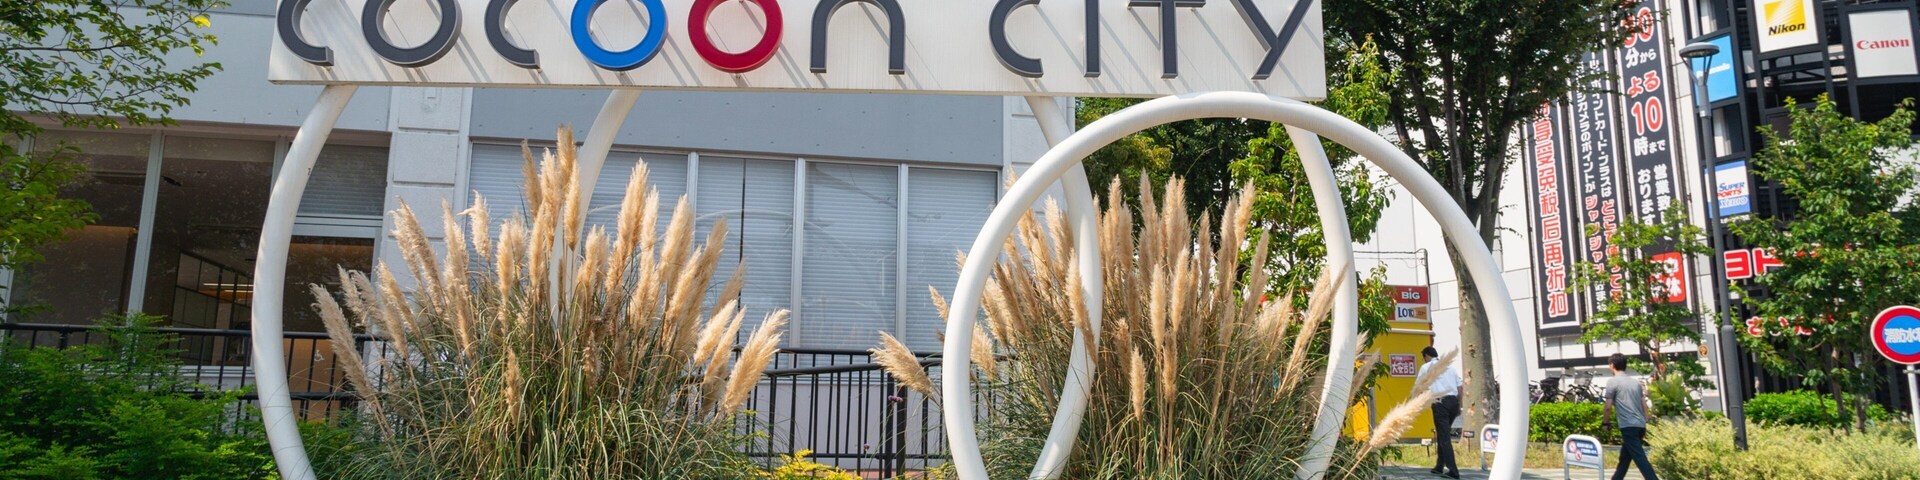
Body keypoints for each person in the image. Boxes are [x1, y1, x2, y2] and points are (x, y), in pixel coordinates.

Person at [1602, 353, 1658, 480]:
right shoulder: (1635, 383)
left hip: (1628, 426)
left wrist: (1605, 423)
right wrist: (1646, 418)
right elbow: (1644, 403)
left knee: (1640, 459)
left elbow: (1608, 407)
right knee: (1625, 458)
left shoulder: (1612, 382)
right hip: (1640, 426)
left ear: (1612, 365)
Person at [1416, 346, 1462, 479]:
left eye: (1423, 358)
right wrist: (1459, 405)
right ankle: (1439, 466)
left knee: (1444, 437)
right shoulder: (1450, 367)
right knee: (1444, 434)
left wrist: (1417, 402)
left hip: (1440, 403)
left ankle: (1453, 470)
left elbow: (1419, 386)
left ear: (1426, 356)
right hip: (1453, 402)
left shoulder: (1426, 367)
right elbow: (1460, 388)